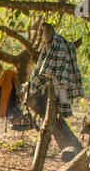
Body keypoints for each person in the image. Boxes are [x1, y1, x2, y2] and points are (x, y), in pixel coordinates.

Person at [26, 20, 85, 160]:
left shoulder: (57, 49)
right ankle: (70, 146)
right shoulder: (54, 49)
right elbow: (45, 72)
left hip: (54, 89)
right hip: (52, 90)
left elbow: (44, 73)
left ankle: (70, 146)